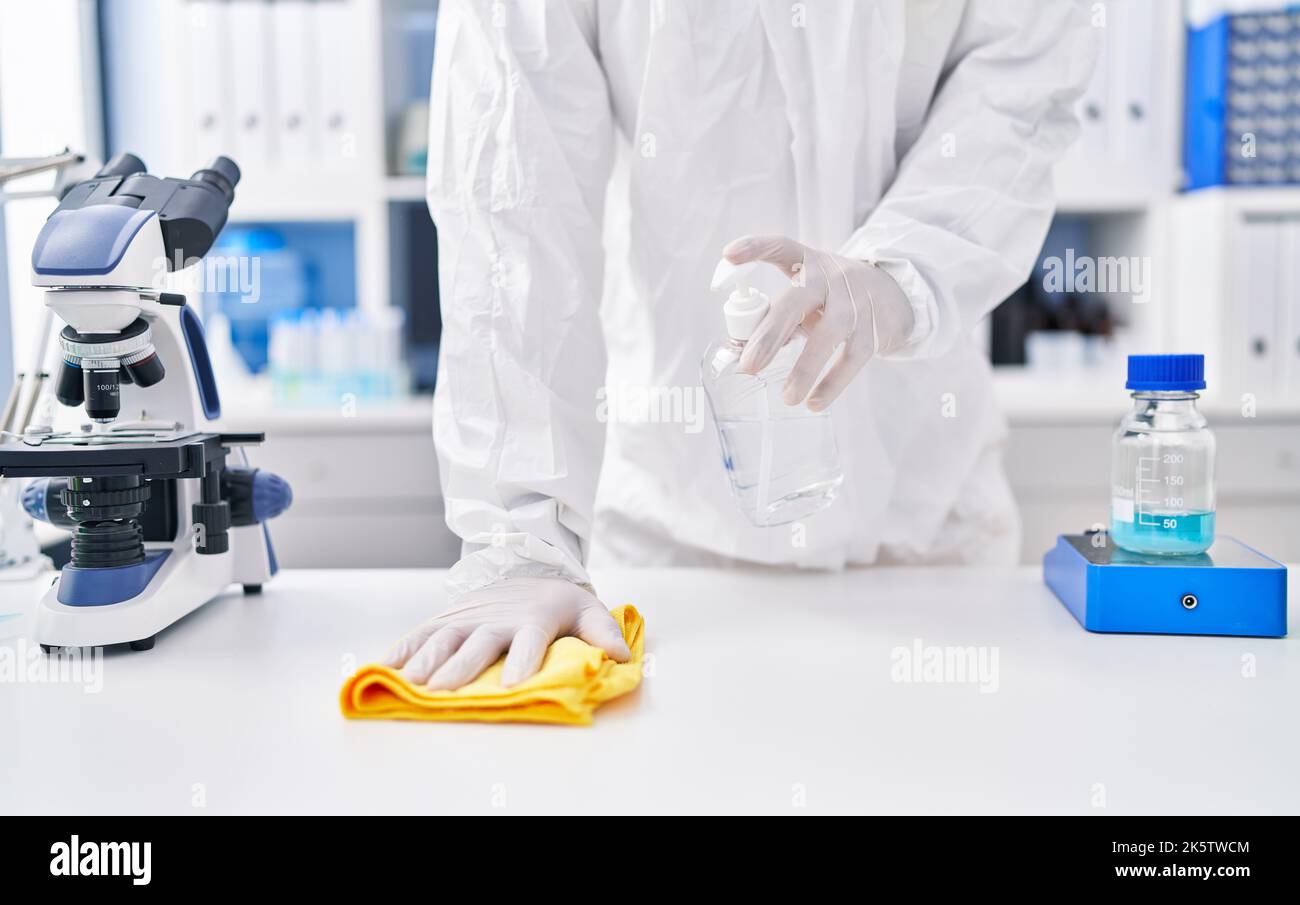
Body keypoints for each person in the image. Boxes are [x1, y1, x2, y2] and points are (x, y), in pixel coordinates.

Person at [385, 0, 1098, 689]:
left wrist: (904, 272)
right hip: (671, 545)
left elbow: (1016, 92)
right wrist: (522, 543)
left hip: (927, 531)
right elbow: (516, 179)